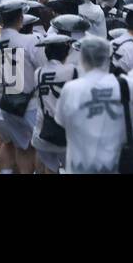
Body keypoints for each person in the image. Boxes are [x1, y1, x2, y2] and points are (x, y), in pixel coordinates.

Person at [54, 35, 133, 174]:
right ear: (108, 58)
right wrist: (131, 76)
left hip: (80, 167)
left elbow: (61, 121)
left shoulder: (70, 89)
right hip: (116, 166)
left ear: (82, 59)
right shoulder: (124, 85)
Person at [0, 0, 41, 174]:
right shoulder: (29, 41)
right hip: (30, 103)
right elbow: (43, 69)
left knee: (21, 147)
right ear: (20, 18)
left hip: (7, 102)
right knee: (38, 148)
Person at [31, 33, 77, 172]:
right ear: (66, 53)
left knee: (49, 168)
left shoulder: (38, 73)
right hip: (66, 134)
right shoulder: (72, 70)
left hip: (43, 132)